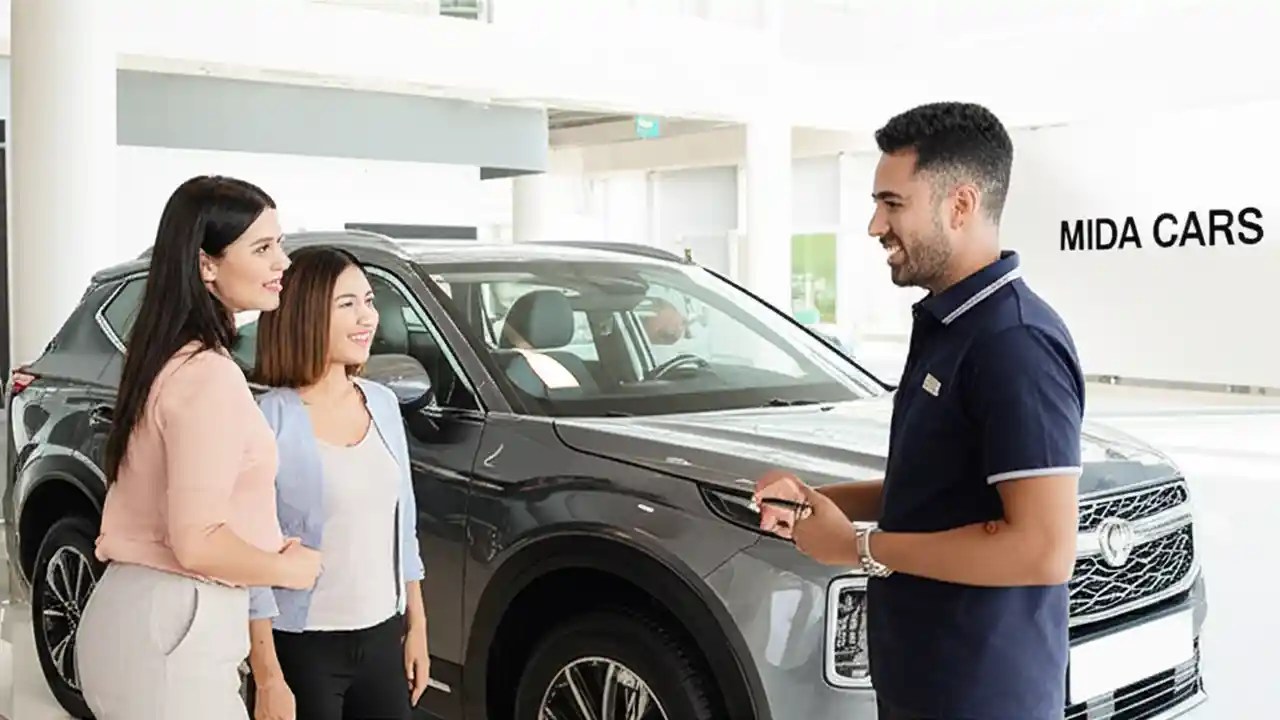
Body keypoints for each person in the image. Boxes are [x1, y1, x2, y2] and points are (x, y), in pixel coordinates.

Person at [754, 102, 1085, 720]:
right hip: (925, 680)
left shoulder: (1013, 342)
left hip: (982, 695)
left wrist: (857, 546)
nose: (875, 225)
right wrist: (820, 499)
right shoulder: (948, 326)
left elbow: (1042, 547)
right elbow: (938, 490)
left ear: (959, 206)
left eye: (893, 203)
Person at [76, 176, 324, 720]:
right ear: (206, 264)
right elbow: (197, 542)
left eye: (279, 243)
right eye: (262, 248)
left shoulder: (167, 359)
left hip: (144, 617)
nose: (282, 261)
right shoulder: (206, 374)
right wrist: (289, 568)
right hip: (176, 623)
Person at [247, 246, 430, 720]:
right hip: (302, 648)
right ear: (306, 312)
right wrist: (267, 675)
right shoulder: (268, 420)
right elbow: (253, 561)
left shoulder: (383, 404)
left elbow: (404, 525)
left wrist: (418, 626)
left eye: (369, 301)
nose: (367, 317)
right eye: (347, 304)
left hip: (382, 639)